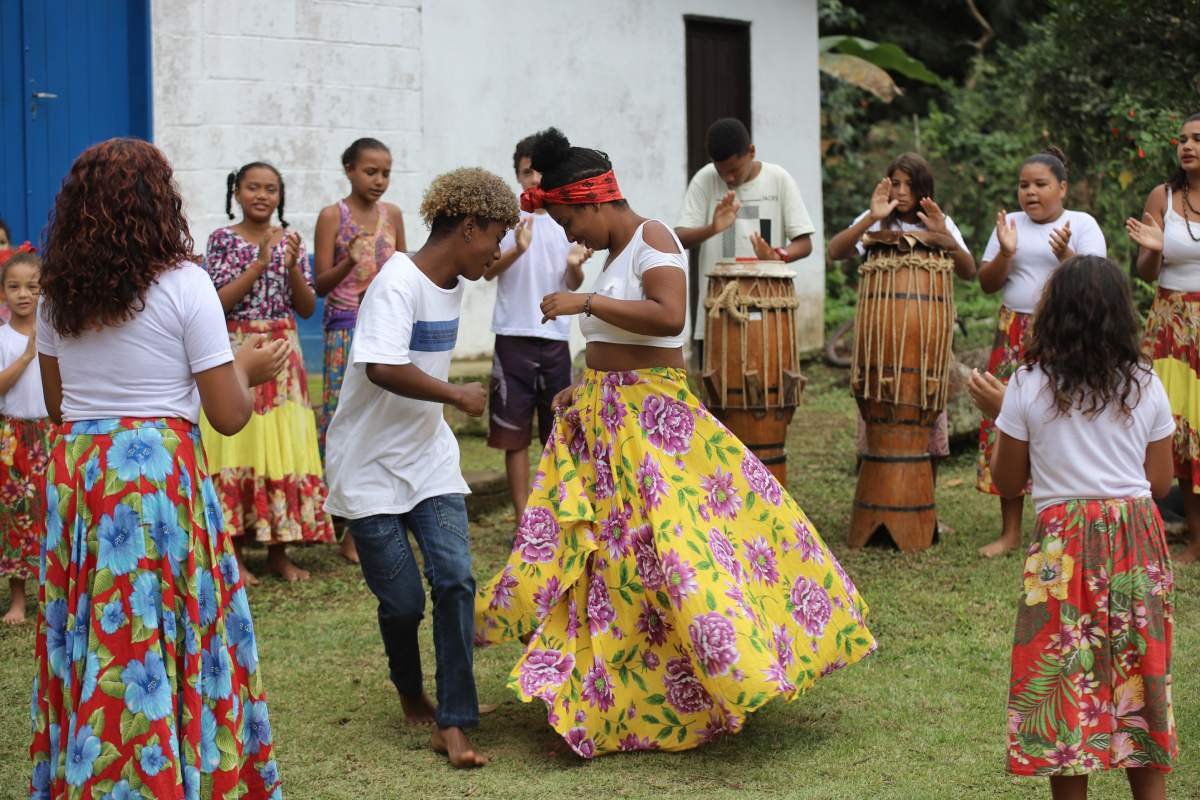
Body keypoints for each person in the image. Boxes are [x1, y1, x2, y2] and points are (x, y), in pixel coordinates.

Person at [475, 127, 875, 758]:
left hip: (653, 426)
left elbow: (668, 318)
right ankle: (624, 694)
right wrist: (583, 386)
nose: (573, 237)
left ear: (595, 201)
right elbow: (618, 344)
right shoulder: (614, 255)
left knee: (678, 555)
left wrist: (584, 300)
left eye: (571, 221)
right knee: (618, 562)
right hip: (609, 422)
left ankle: (720, 673)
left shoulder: (652, 239)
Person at [30, 137, 288, 799]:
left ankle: (94, 770)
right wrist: (246, 370)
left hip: (81, 472)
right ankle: (166, 771)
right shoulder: (184, 283)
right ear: (158, 202)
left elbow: (60, 406)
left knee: (94, 628)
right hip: (152, 476)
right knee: (156, 626)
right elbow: (227, 415)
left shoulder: (58, 292)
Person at [324, 167, 518, 768]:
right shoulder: (397, 283)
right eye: (495, 238)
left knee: (456, 579)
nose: (496, 253)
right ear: (469, 227)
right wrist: (455, 393)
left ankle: (454, 722)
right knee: (405, 602)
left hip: (428, 460)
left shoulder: (452, 283)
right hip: (368, 469)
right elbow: (382, 366)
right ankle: (411, 691)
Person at [968, 255, 1176, 800]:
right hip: (1135, 535)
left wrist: (1002, 415)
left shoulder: (1027, 384)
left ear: (1052, 314)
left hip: (1063, 545)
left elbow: (1008, 481)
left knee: (1063, 677)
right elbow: (1160, 483)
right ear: (1121, 315)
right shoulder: (1146, 383)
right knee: (1140, 674)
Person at [201, 161, 335, 583]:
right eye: (253, 187)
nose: (261, 195)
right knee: (236, 444)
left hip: (282, 352)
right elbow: (216, 303)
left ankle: (280, 551)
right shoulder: (222, 240)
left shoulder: (291, 240)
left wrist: (292, 265)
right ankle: (235, 554)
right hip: (236, 347)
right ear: (236, 193)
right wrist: (259, 264)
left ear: (280, 196)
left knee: (282, 445)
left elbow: (307, 307)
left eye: (270, 189)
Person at [975, 147, 1107, 558]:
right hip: (1013, 332)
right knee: (1006, 421)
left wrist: (1065, 254)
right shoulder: (1009, 224)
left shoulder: (1081, 224)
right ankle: (1010, 531)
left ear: (1062, 188)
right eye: (1023, 185)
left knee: (1064, 421)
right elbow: (986, 283)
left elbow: (1097, 284)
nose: (1030, 192)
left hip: (1065, 335)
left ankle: (1064, 525)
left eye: (1040, 184)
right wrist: (1006, 252)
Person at [827, 152, 976, 491]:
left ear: (924, 187)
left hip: (926, 342)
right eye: (896, 183)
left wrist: (944, 235)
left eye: (910, 184)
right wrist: (872, 218)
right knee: (878, 419)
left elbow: (969, 272)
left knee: (929, 427)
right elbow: (835, 251)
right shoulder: (876, 218)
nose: (902, 191)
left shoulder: (938, 220)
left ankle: (925, 503)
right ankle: (875, 498)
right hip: (881, 339)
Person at [484, 134, 589, 521]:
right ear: (517, 175)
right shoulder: (509, 218)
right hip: (513, 336)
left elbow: (572, 283)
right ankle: (522, 517)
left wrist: (575, 266)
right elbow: (486, 271)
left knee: (557, 431)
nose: (535, 179)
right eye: (527, 172)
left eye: (540, 172)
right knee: (514, 435)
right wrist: (518, 248)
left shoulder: (565, 220)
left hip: (555, 338)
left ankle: (556, 516)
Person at [314, 137, 407, 564]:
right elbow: (319, 284)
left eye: (386, 172)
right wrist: (350, 261)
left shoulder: (394, 215)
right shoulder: (332, 216)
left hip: (387, 331)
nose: (379, 180)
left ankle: (366, 525)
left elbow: (404, 273)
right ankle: (342, 517)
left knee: (383, 421)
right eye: (371, 171)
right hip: (345, 331)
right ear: (349, 169)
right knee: (346, 422)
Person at [675, 118, 816, 356]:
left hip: (767, 303)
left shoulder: (778, 178)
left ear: (751, 152)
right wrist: (712, 228)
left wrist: (777, 256)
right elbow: (679, 238)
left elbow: (804, 244)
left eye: (734, 170)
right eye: (721, 172)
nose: (728, 179)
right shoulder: (704, 179)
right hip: (718, 305)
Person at [1127, 111, 1200, 564]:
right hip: (1171, 323)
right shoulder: (1163, 196)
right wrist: (1155, 250)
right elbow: (1145, 271)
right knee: (1179, 427)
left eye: (1198, 139)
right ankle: (1194, 536)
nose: (1187, 146)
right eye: (1183, 139)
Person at [0, 251, 49, 624]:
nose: (24, 294)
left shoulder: (55, 333)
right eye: (14, 287)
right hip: (13, 436)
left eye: (32, 287)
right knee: (15, 516)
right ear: (3, 292)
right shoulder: (3, 339)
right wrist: (27, 356)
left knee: (51, 513)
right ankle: (18, 598)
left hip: (50, 432)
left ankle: (52, 594)